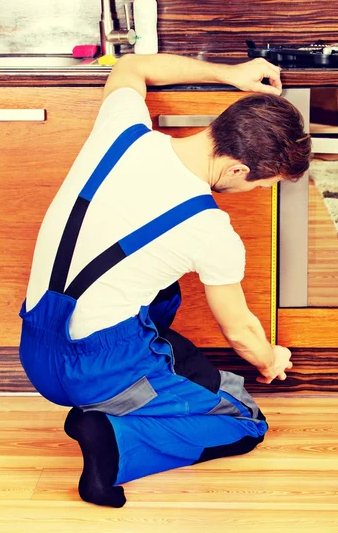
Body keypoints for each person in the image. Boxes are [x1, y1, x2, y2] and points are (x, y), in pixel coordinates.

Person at [19, 54, 311, 508]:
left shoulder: (123, 133)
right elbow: (241, 333)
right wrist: (272, 359)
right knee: (244, 419)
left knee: (157, 282)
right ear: (236, 168)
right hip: (99, 371)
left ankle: (123, 399)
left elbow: (131, 68)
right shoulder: (210, 229)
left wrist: (227, 73)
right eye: (262, 184)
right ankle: (113, 439)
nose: (258, 192)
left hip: (36, 345)